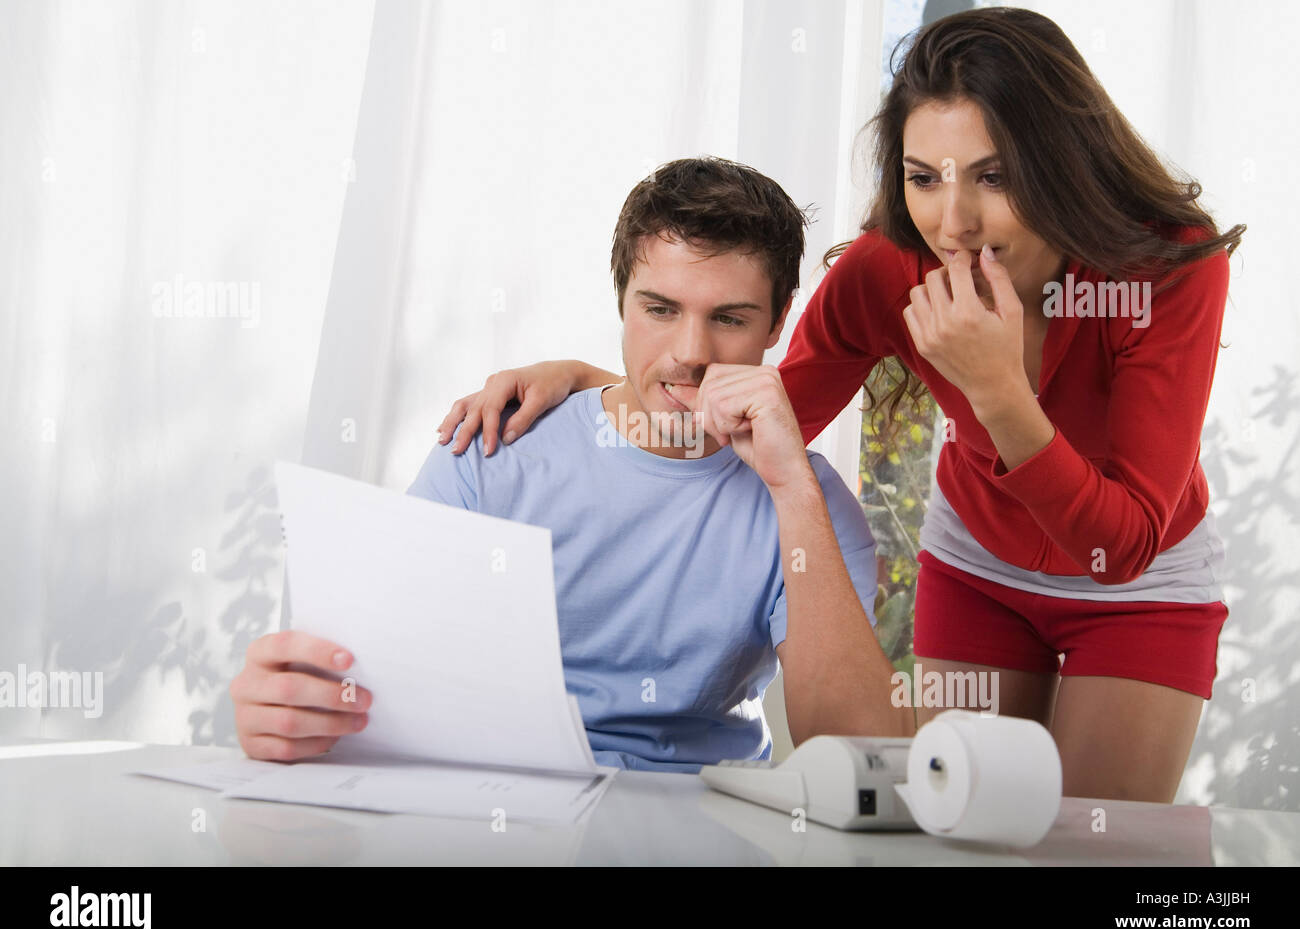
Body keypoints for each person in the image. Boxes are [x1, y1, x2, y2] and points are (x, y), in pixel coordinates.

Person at [436, 8, 1244, 802]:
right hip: (981, 565)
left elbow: (1124, 539)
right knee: (964, 822)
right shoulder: (888, 267)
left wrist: (995, 388)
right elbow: (766, 412)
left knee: (1096, 845)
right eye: (924, 179)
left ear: (1061, 159)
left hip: (1136, 576)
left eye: (993, 177)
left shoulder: (1167, 267)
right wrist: (598, 382)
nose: (952, 223)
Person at [230, 157, 913, 772]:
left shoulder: (809, 503)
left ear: (778, 321)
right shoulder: (494, 445)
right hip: (497, 809)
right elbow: (377, 669)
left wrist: (792, 487)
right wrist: (289, 704)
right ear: (621, 301)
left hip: (697, 826)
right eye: (660, 309)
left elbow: (855, 749)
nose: (690, 351)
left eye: (729, 318)